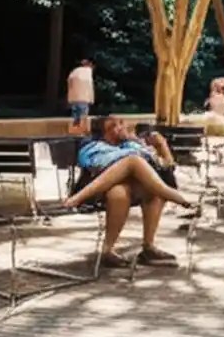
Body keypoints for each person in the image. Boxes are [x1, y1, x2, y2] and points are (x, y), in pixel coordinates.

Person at [65, 115, 195, 268]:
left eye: (121, 122)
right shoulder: (93, 147)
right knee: (119, 190)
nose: (122, 126)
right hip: (101, 192)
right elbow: (99, 165)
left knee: (154, 189)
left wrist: (162, 146)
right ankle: (107, 250)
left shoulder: (133, 146)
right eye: (114, 126)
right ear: (104, 134)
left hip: (138, 187)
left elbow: (165, 168)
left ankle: (148, 248)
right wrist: (137, 153)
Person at [66, 59, 95, 133]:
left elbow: (69, 82)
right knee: (82, 117)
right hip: (84, 98)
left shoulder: (74, 71)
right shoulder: (88, 72)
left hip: (74, 98)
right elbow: (89, 86)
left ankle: (74, 132)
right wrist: (91, 99)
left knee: (75, 117)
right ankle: (81, 133)